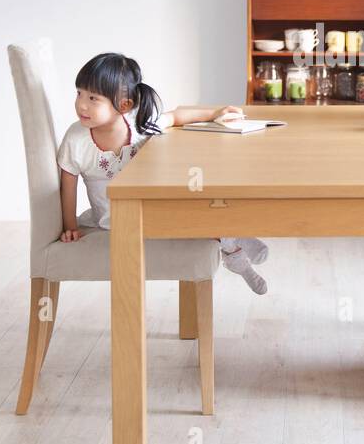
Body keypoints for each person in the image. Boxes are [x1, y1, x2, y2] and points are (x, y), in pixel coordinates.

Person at [57, 52, 270, 294]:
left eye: (93, 98)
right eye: (79, 93)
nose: (81, 104)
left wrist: (215, 113)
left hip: (151, 207)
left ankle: (236, 247)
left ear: (124, 105)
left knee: (201, 200)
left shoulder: (136, 126)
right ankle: (236, 243)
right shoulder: (76, 138)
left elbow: (176, 117)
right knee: (192, 215)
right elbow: (68, 184)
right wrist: (70, 225)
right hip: (118, 219)